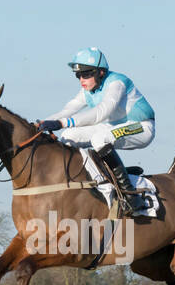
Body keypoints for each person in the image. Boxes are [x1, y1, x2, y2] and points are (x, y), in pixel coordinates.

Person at [35, 47, 155, 218]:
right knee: (69, 135)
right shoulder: (88, 89)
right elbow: (68, 110)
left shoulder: (117, 83)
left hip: (141, 127)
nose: (81, 80)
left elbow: (102, 112)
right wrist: (39, 124)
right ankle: (88, 178)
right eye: (78, 75)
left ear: (100, 72)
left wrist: (62, 123)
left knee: (100, 138)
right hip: (113, 126)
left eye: (86, 74)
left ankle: (129, 194)